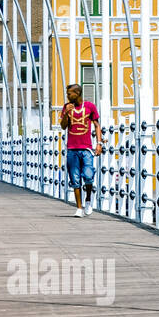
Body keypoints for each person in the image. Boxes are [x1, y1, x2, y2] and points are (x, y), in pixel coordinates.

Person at [59, 83, 103, 217]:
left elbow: (96, 125)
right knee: (75, 179)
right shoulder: (66, 107)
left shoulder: (90, 107)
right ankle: (79, 208)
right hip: (72, 149)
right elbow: (63, 126)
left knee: (88, 176)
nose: (68, 96)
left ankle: (88, 200)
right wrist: (66, 113)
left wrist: (99, 143)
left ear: (77, 93)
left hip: (86, 149)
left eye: (70, 94)